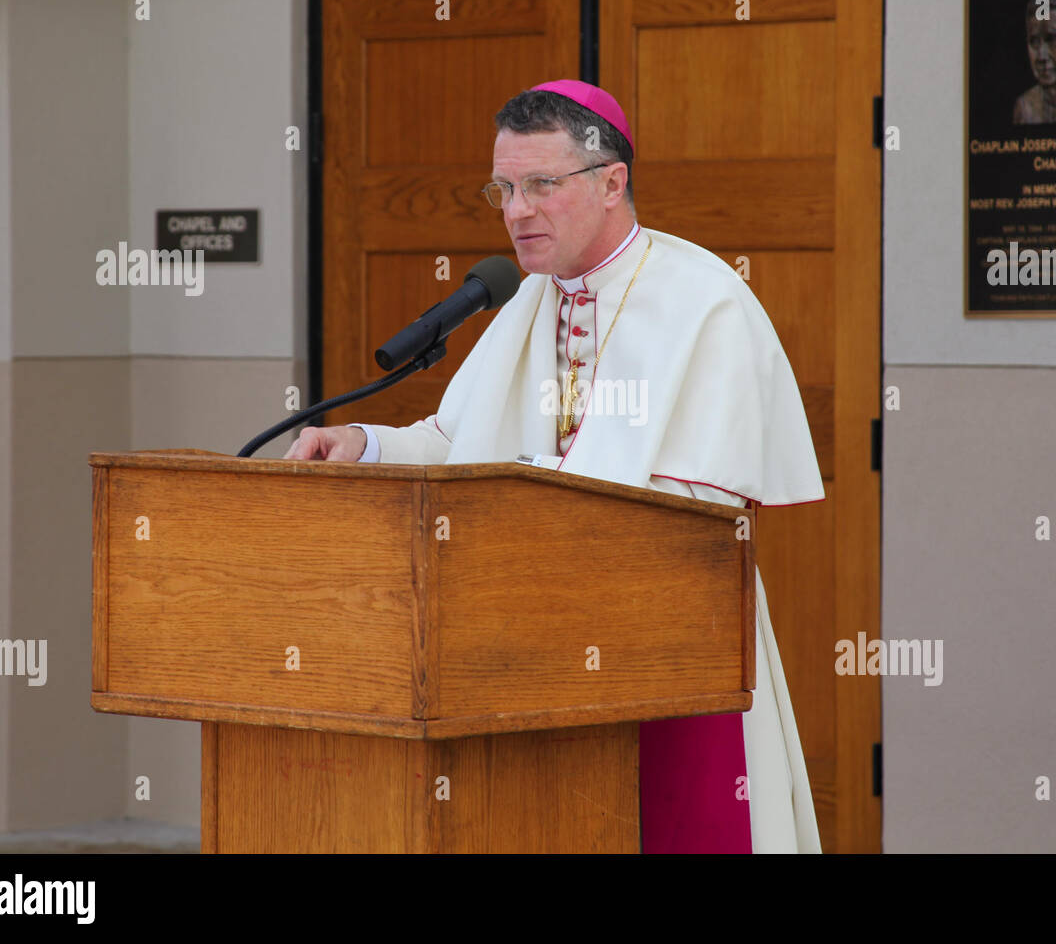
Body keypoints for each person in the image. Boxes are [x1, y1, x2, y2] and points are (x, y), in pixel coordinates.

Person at [285, 79, 825, 853]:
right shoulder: (529, 301)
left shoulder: (705, 300)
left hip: (668, 654)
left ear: (613, 181)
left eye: (541, 184)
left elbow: (699, 513)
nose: (516, 210)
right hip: (530, 657)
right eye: (504, 188)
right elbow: (456, 444)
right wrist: (363, 444)